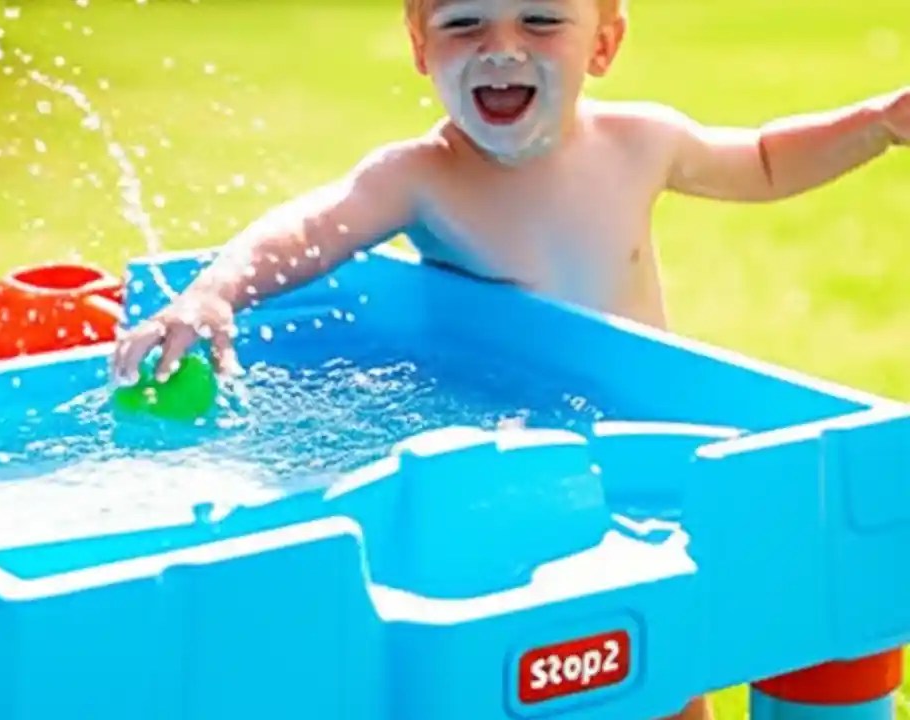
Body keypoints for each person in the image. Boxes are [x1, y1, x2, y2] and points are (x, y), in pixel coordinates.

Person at [113, 1, 908, 713]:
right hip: (505, 487)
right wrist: (214, 291)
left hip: (651, 462)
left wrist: (876, 121)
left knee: (667, 665)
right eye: (464, 24)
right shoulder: (421, 177)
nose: (501, 48)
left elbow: (764, 161)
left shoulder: (642, 142)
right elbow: (314, 227)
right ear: (421, 49)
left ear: (604, 44)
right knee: (544, 676)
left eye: (540, 21)